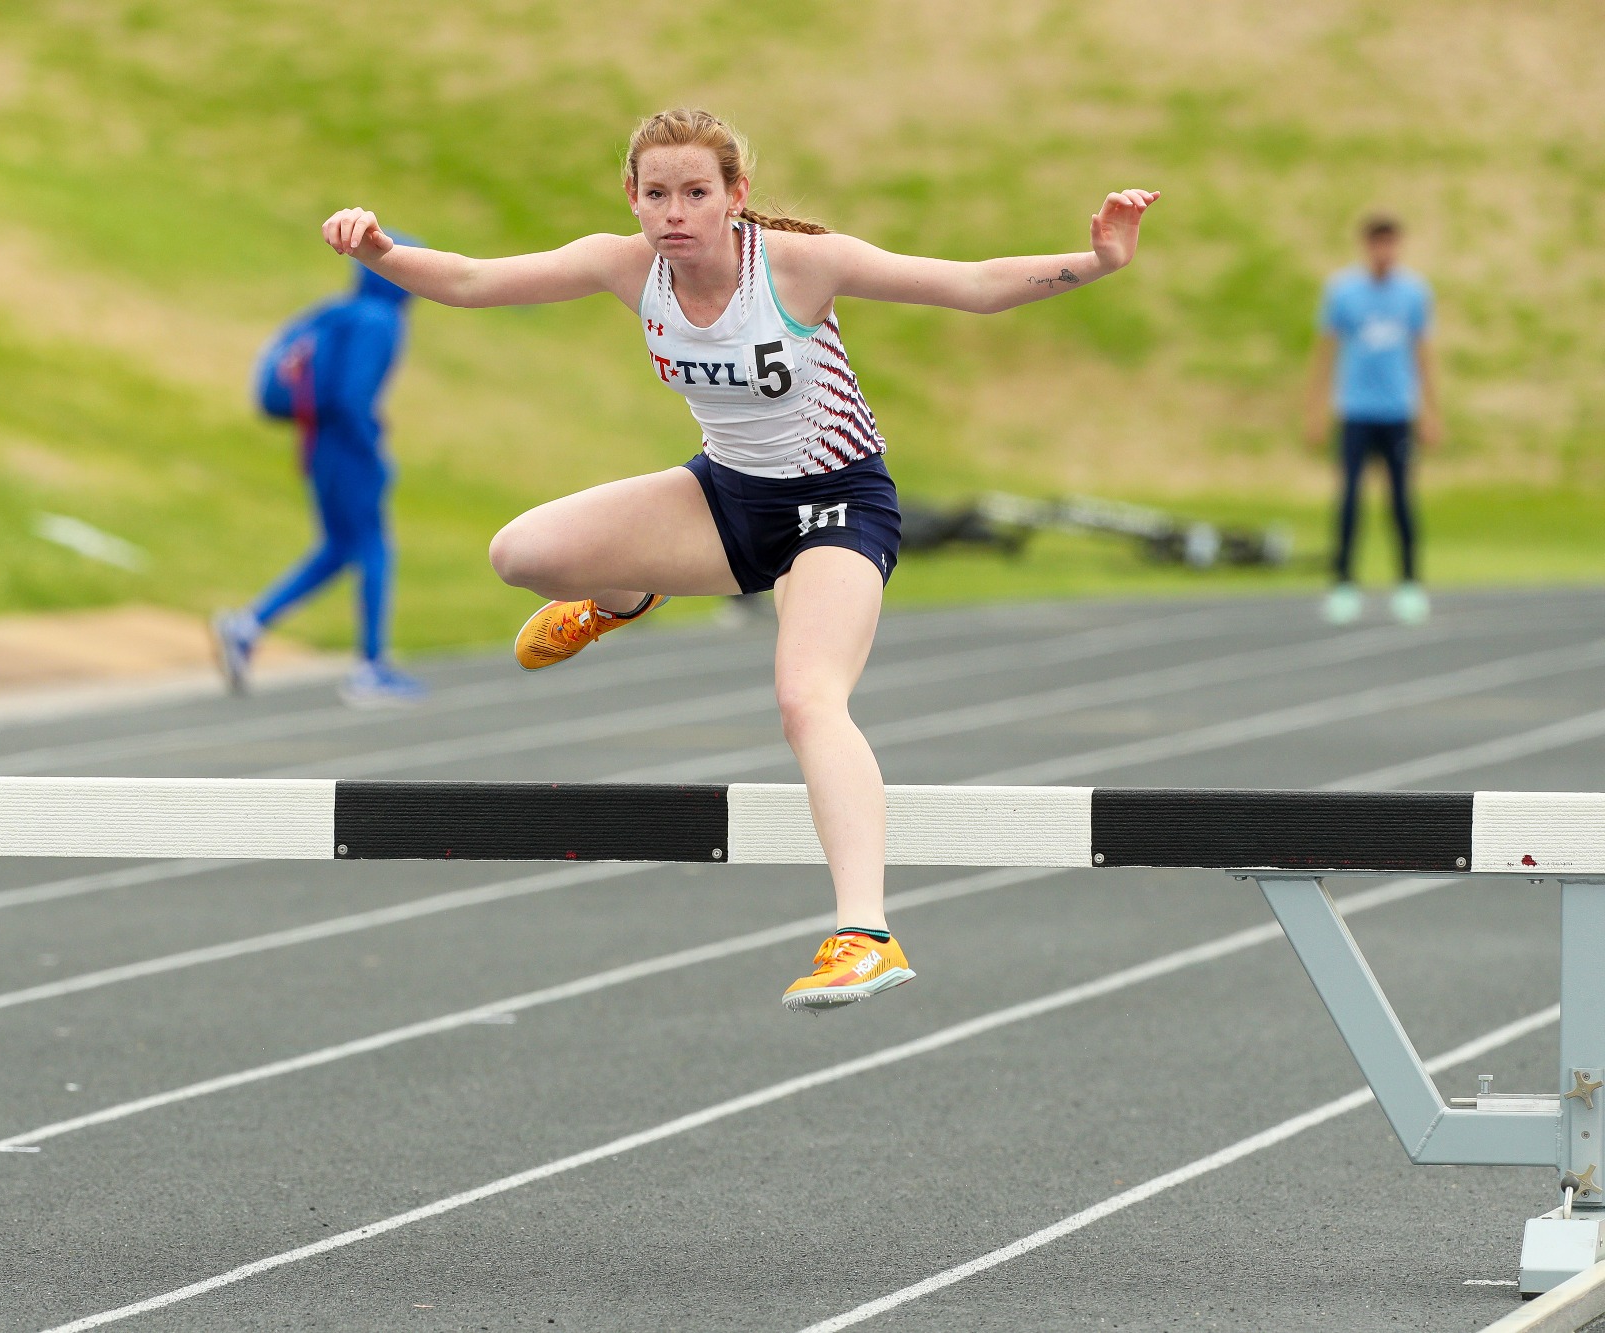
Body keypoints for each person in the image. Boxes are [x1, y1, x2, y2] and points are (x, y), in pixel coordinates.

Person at [320, 108, 1156, 1011]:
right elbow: (475, 278)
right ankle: (624, 597)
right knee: (521, 551)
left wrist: (1098, 262)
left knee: (807, 696)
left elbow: (974, 285)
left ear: (735, 196)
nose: (674, 213)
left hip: (837, 505)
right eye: (656, 194)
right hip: (725, 498)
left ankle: (865, 933)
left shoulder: (800, 265)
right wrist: (379, 252)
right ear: (632, 200)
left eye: (695, 193)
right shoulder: (624, 264)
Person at [213, 251, 428, 706]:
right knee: (373, 548)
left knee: (337, 549)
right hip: (346, 446)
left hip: (320, 443)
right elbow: (352, 398)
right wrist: (373, 453)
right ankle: (371, 667)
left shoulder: (342, 310)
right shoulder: (380, 320)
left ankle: (248, 626)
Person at [1306, 214, 1441, 626]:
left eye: (1391, 244)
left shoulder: (1414, 293)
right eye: (1377, 244)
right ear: (1367, 246)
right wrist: (1316, 410)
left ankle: (1409, 583)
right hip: (1356, 410)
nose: (1384, 252)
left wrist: (1430, 410)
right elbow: (1326, 351)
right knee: (1349, 498)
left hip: (1397, 411)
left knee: (1401, 499)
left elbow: (1422, 353)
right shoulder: (1344, 292)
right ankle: (1343, 583)